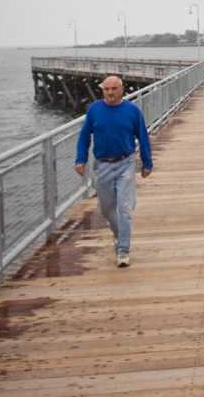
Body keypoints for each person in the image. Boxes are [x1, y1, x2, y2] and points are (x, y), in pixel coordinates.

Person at [74, 75, 153, 267]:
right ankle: (118, 234)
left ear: (121, 90)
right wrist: (80, 159)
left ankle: (123, 250)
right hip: (102, 165)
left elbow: (143, 137)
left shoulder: (132, 111)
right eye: (106, 89)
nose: (110, 92)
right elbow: (84, 136)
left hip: (126, 163)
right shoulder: (95, 110)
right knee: (107, 209)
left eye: (114, 89)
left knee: (124, 209)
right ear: (103, 90)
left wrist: (147, 163)